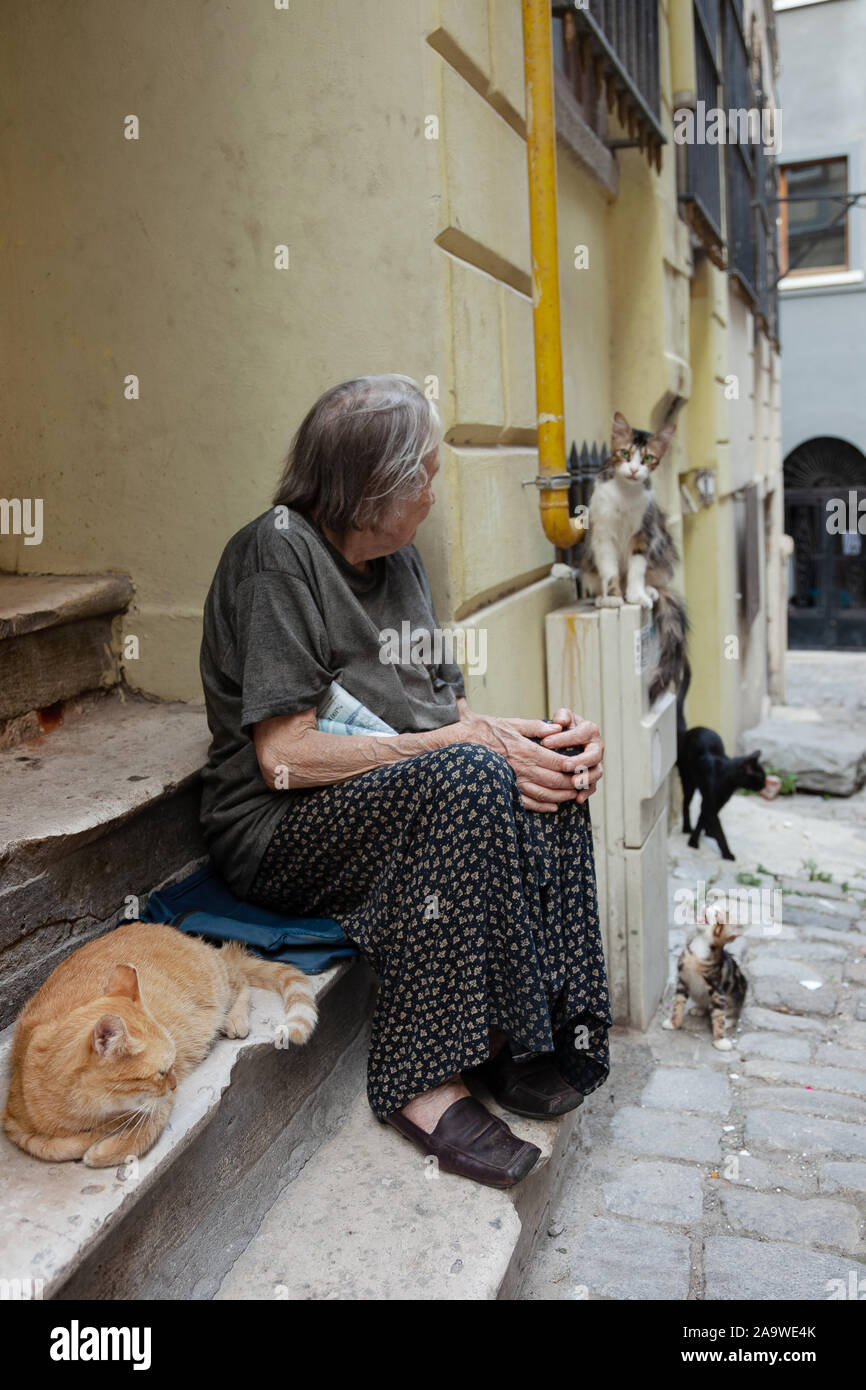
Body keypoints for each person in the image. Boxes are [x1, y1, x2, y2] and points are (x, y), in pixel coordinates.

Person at [199, 373, 611, 1188]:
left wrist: (542, 744)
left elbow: (448, 710)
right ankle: (420, 1077)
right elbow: (284, 757)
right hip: (277, 832)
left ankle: (510, 1034)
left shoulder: (402, 562)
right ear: (369, 489)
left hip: (391, 802)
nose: (431, 491)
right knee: (461, 769)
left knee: (544, 764)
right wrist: (465, 745)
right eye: (420, 474)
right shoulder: (277, 554)